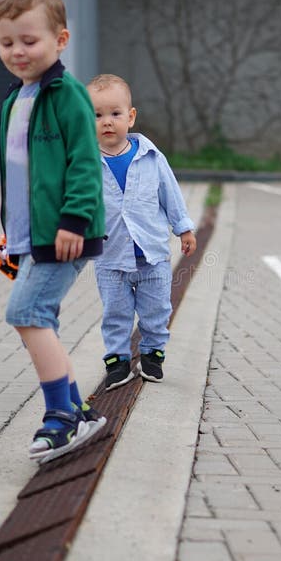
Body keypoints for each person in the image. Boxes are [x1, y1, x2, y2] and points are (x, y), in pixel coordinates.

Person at [0, 0, 107, 464]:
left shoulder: (67, 95)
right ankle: (73, 410)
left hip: (69, 233)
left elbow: (84, 161)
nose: (17, 51)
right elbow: (21, 179)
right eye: (6, 42)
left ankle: (63, 417)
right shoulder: (14, 101)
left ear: (60, 40)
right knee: (40, 317)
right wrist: (12, 234)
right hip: (33, 237)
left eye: (29, 40)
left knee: (26, 313)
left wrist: (74, 221)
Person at [86, 73, 197, 391]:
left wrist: (184, 228)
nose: (107, 122)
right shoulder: (85, 164)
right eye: (97, 115)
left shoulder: (151, 157)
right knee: (116, 313)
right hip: (110, 258)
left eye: (115, 114)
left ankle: (152, 354)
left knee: (157, 309)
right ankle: (118, 362)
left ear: (130, 117)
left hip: (152, 256)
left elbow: (170, 193)